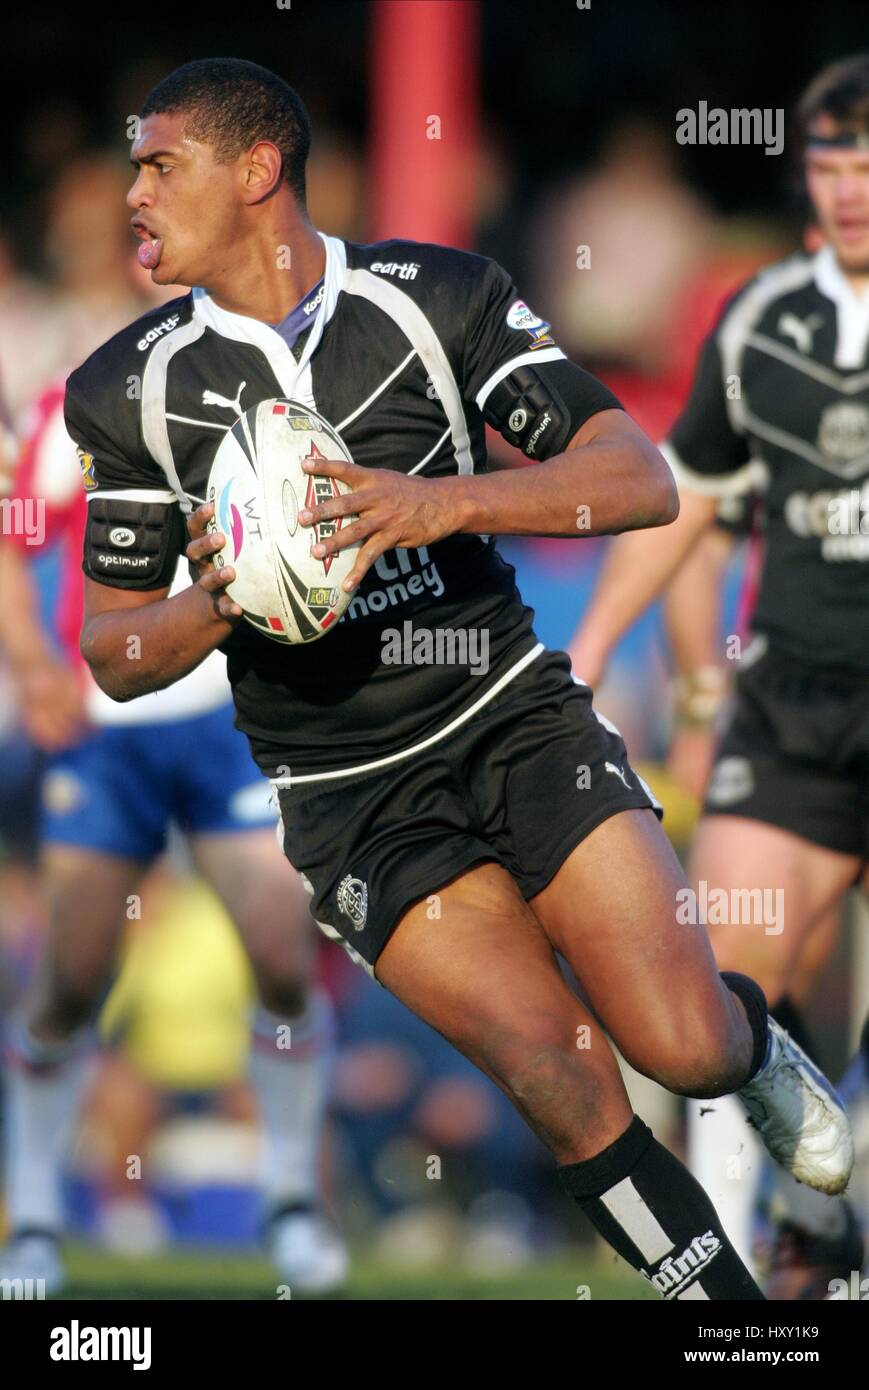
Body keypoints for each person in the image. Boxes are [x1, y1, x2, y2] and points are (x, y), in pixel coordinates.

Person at [66, 57, 853, 1302]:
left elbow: (639, 476)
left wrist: (443, 501)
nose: (135, 193)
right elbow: (110, 654)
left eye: (161, 164)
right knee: (555, 1067)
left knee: (679, 1042)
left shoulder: (437, 297)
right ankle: (733, 1317)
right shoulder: (126, 387)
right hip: (348, 792)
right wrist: (220, 597)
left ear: (257, 170)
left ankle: (748, 1044)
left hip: (509, 717)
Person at [569, 53, 869, 1296]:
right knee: (719, 994)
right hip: (795, 701)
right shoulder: (763, 319)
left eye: (867, 165)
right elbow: (686, 496)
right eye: (828, 164)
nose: (847, 190)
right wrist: (593, 650)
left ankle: (831, 1235)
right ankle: (732, 1289)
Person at [0, 382, 346, 1294]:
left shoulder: (284, 401)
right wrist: (33, 665)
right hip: (106, 728)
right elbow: (12, 528)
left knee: (281, 954)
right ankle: (31, 1219)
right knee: (70, 979)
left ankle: (290, 1201)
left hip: (230, 721)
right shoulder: (85, 412)